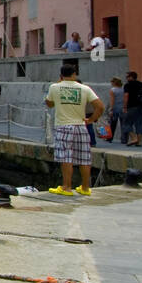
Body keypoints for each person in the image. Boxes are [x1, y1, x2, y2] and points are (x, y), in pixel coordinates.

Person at [45, 62, 103, 195]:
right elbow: (100, 106)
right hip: (81, 126)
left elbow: (49, 104)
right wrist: (91, 120)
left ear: (61, 75)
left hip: (64, 126)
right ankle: (85, 188)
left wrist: (58, 86)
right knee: (84, 157)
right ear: (74, 74)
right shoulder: (85, 88)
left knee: (66, 157)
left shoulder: (54, 87)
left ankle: (66, 187)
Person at [122, 71, 142, 146]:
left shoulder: (127, 85)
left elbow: (126, 96)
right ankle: (139, 142)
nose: (126, 78)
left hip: (131, 106)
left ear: (131, 77)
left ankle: (133, 138)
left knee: (126, 123)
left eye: (127, 77)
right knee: (140, 124)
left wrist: (125, 107)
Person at [106, 77, 124, 142]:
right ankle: (124, 139)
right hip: (122, 108)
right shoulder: (123, 89)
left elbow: (112, 100)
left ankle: (110, 138)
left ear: (114, 82)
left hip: (115, 109)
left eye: (112, 82)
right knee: (123, 124)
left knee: (112, 124)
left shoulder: (113, 90)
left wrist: (111, 109)